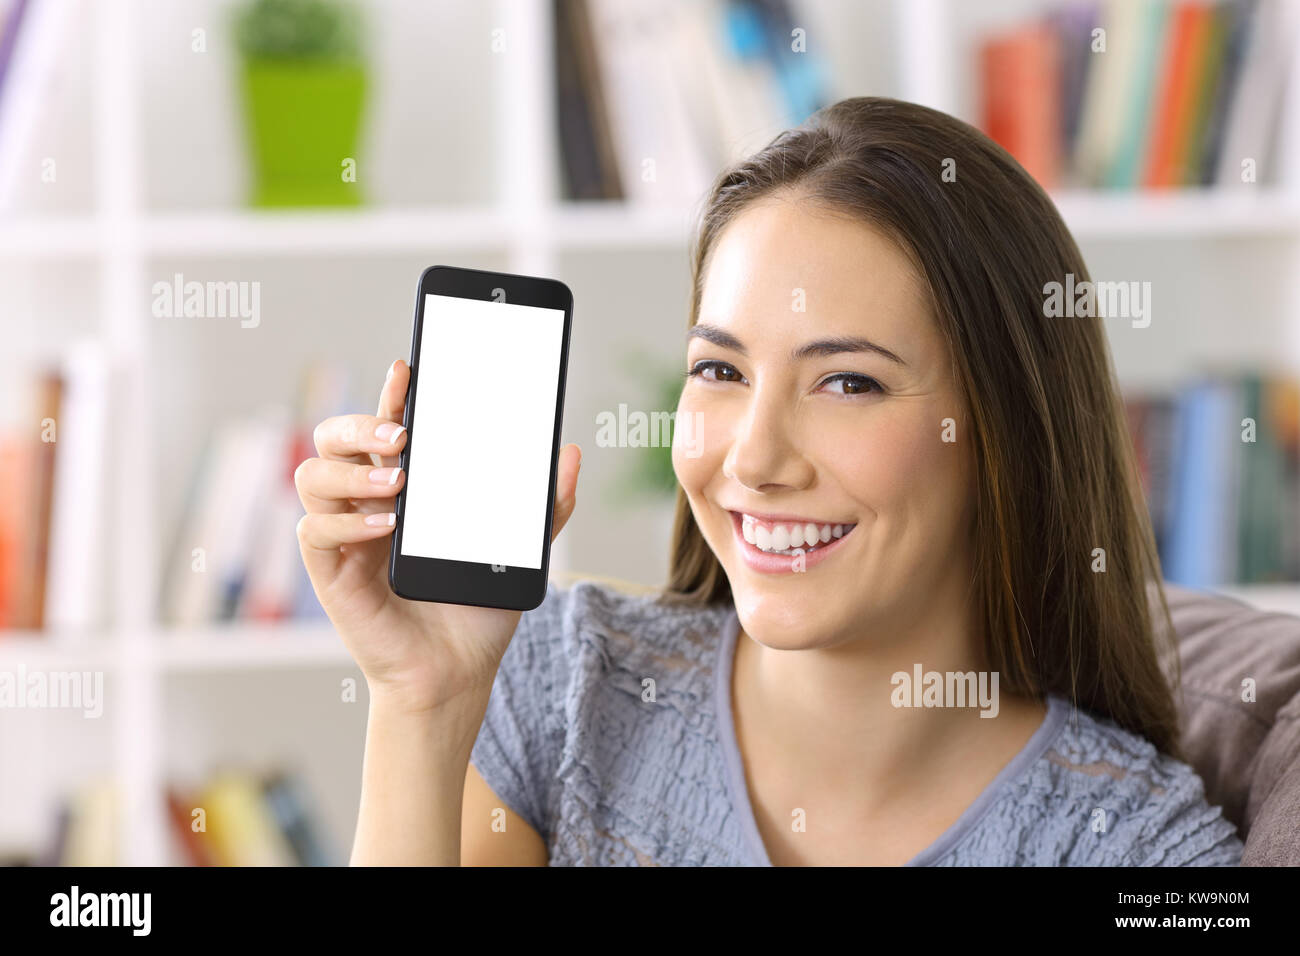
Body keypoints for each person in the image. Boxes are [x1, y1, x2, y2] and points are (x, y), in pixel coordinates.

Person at [294, 97, 1242, 866]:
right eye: (721, 369)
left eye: (847, 382)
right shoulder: (563, 688)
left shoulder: (1134, 846)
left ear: (1005, 430)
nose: (753, 459)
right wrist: (424, 700)